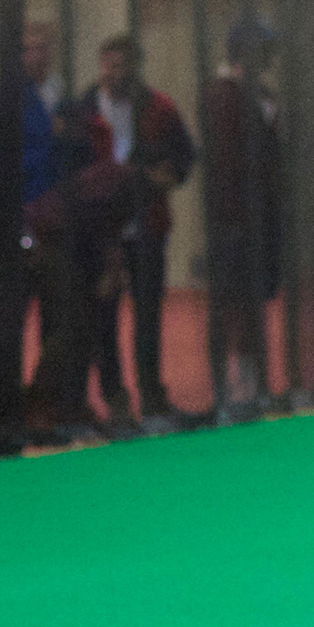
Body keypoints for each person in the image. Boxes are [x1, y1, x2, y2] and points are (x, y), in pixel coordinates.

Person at [64, 33, 195, 430]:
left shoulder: (159, 108)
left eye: (119, 65)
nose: (110, 72)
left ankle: (153, 397)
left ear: (135, 66)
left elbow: (184, 157)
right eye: (105, 64)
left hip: (147, 227)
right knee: (103, 316)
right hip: (101, 235)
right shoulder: (82, 110)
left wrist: (163, 177)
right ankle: (115, 399)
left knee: (148, 315)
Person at [0, 21, 74, 452]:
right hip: (14, 226)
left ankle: (44, 400)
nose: (35, 55)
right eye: (26, 48)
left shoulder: (63, 102)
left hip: (55, 226)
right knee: (11, 320)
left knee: (67, 315)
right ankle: (10, 410)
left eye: (41, 47)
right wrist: (16, 226)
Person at [201, 18, 283, 420]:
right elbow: (229, 163)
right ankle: (228, 390)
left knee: (252, 304)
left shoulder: (261, 95)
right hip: (233, 220)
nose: (268, 59)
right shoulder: (223, 96)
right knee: (231, 304)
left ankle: (249, 385)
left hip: (259, 220)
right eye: (261, 50)